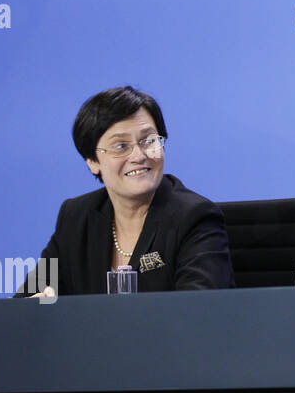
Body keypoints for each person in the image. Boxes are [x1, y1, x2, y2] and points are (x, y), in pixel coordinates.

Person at [20, 86, 234, 295]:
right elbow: (27, 301)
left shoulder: (194, 217)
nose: (139, 155)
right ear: (93, 161)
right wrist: (37, 308)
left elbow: (200, 311)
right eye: (121, 146)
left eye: (148, 140)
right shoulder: (76, 217)